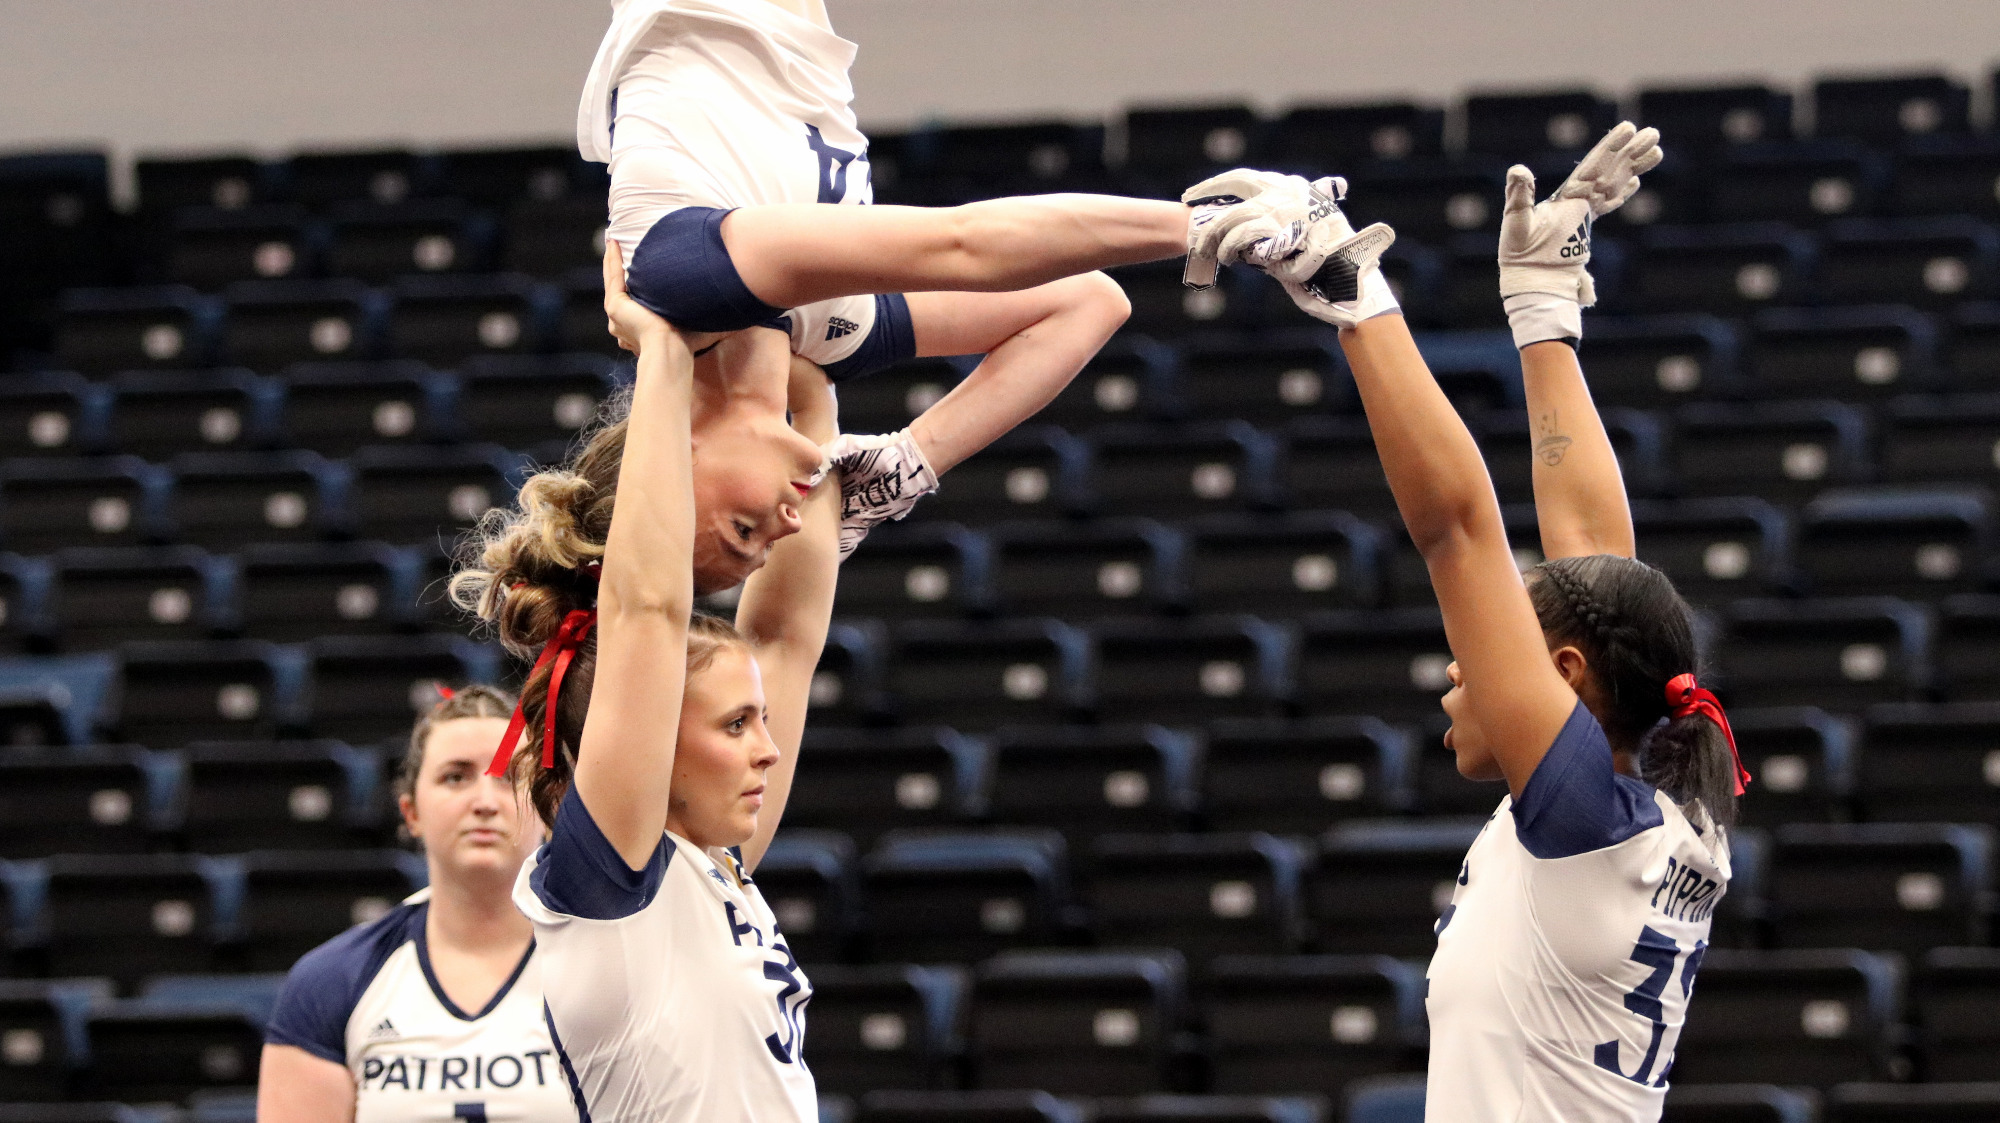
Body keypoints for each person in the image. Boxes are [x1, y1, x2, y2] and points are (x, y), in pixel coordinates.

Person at [1241, 124, 1744, 1121]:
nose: (1458, 670)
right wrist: (1542, 311)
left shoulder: (1589, 821)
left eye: (1484, 655)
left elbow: (1458, 533)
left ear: (1565, 676)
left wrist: (1351, 290)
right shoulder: (1655, 810)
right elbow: (1594, 554)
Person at [578, 0, 1366, 586]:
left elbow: (963, 244)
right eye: (765, 546)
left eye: (743, 529)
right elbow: (1087, 302)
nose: (787, 526)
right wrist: (911, 460)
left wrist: (1204, 224)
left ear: (675, 461)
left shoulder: (682, 288)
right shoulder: (835, 334)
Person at [446, 246, 843, 1121]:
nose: (770, 749)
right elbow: (648, 609)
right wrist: (661, 355)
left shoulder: (710, 869)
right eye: (735, 725)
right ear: (651, 738)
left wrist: (814, 410)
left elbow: (785, 636)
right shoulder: (610, 882)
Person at [258, 685, 571, 1123]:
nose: (484, 802)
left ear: (548, 805)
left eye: (509, 776)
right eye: (456, 777)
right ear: (411, 813)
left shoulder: (603, 969)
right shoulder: (331, 980)